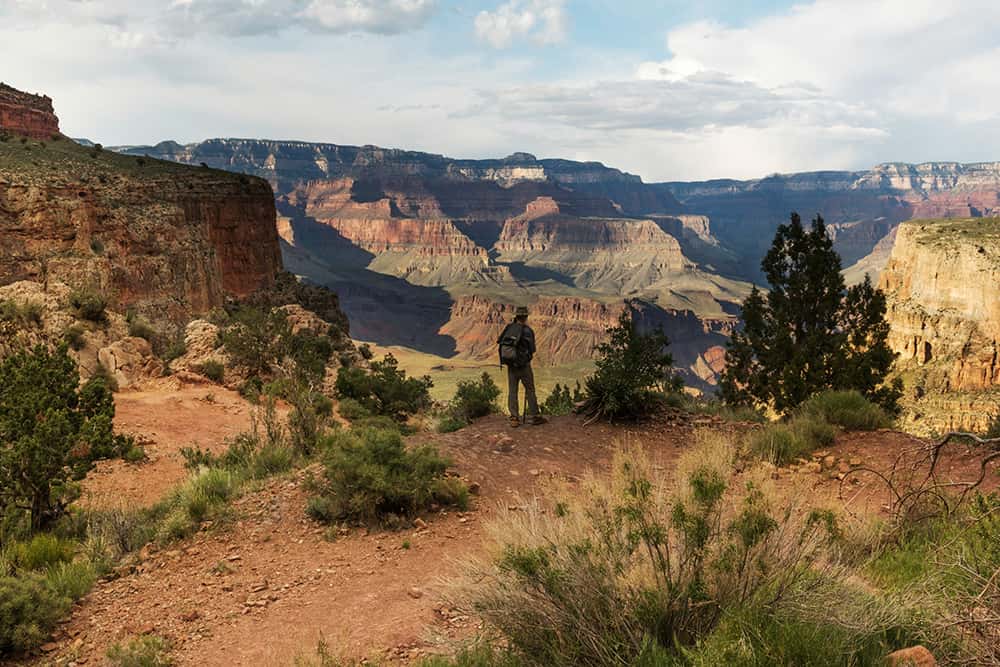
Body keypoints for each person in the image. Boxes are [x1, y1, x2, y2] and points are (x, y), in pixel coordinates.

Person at [497, 305, 547, 427]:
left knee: (512, 391)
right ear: (525, 317)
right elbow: (532, 349)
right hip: (524, 366)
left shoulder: (509, 327)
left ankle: (514, 418)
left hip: (511, 365)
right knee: (530, 389)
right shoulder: (528, 331)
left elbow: (500, 341)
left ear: (517, 316)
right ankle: (535, 416)